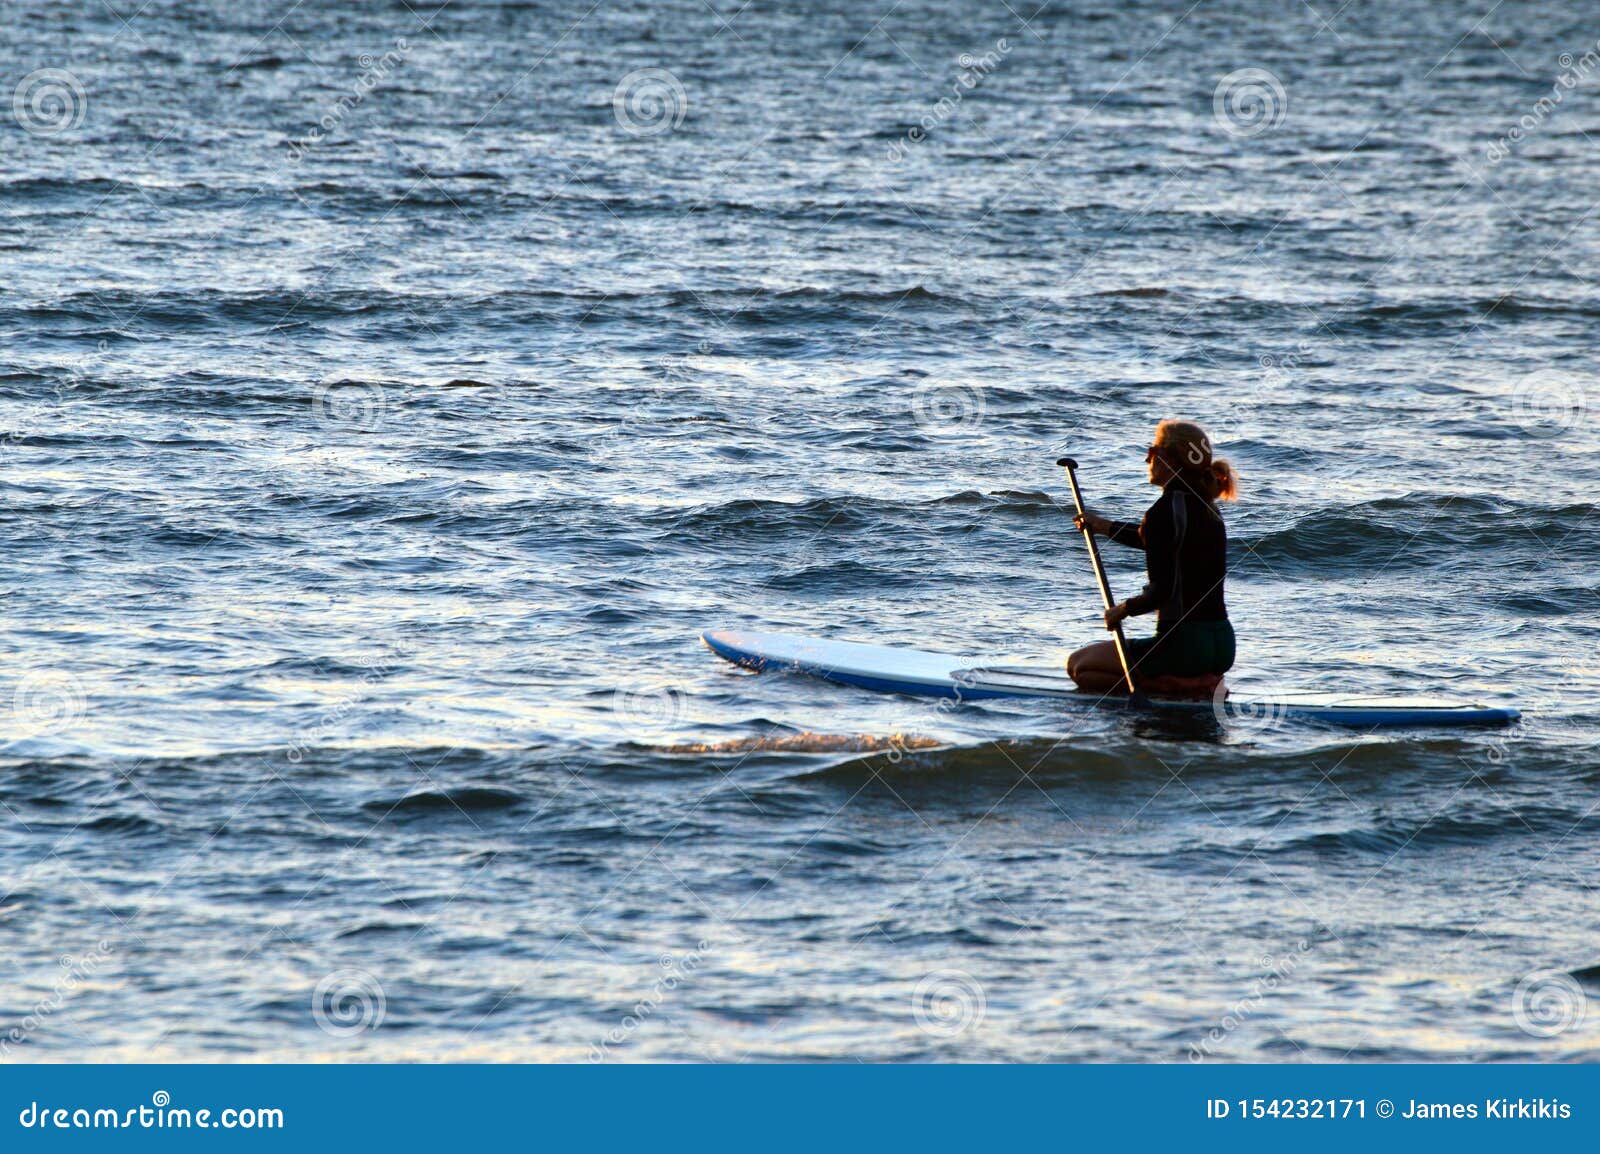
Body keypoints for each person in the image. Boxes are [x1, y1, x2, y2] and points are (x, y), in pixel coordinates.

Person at [1067, 420, 1238, 695]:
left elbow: (1162, 592)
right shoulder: (1208, 509)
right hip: (1221, 644)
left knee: (1079, 667)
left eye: (1151, 450)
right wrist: (1103, 526)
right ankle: (1199, 681)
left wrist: (1121, 610)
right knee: (1094, 665)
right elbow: (1157, 541)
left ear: (1167, 460)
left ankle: (1181, 685)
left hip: (1182, 644)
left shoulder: (1164, 511)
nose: (1147, 458)